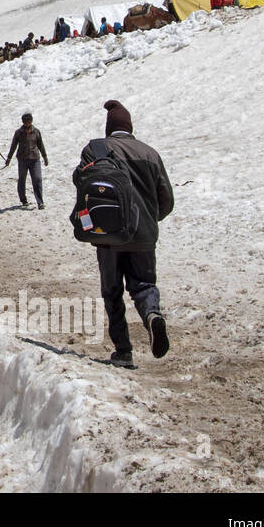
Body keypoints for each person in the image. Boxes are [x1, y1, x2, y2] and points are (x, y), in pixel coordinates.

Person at [75, 100, 174, 368]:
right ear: (130, 127)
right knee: (143, 285)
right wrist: (147, 222)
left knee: (113, 292)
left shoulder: (97, 149)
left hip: (109, 234)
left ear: (109, 128)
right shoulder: (150, 153)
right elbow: (166, 201)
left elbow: (81, 182)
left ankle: (123, 350)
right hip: (144, 236)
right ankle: (152, 315)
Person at [4, 111, 48, 209]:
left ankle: (40, 202)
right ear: (23, 122)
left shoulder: (36, 131)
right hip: (22, 159)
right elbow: (13, 146)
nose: (27, 124)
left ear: (31, 121)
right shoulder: (19, 132)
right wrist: (9, 158)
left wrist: (45, 157)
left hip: (35, 159)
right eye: (26, 122)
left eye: (29, 121)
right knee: (22, 180)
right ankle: (23, 200)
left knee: (37, 179)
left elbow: (41, 145)